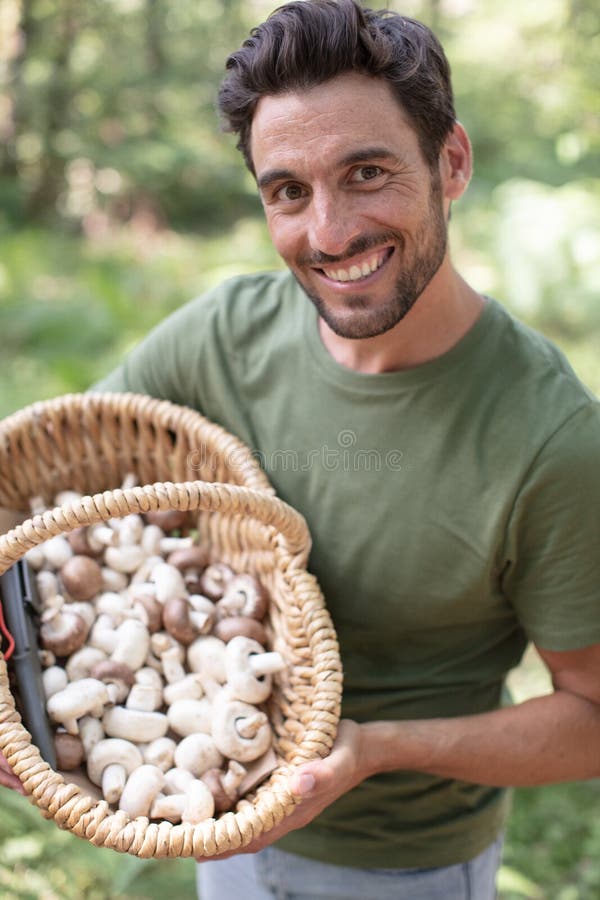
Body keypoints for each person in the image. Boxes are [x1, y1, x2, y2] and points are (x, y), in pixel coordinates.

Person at [2, 2, 600, 898]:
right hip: (220, 823)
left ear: (453, 161)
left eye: (366, 172)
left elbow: (591, 717)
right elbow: (46, 489)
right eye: (289, 191)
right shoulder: (224, 332)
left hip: (403, 867)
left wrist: (372, 753)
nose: (328, 233)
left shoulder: (553, 440)